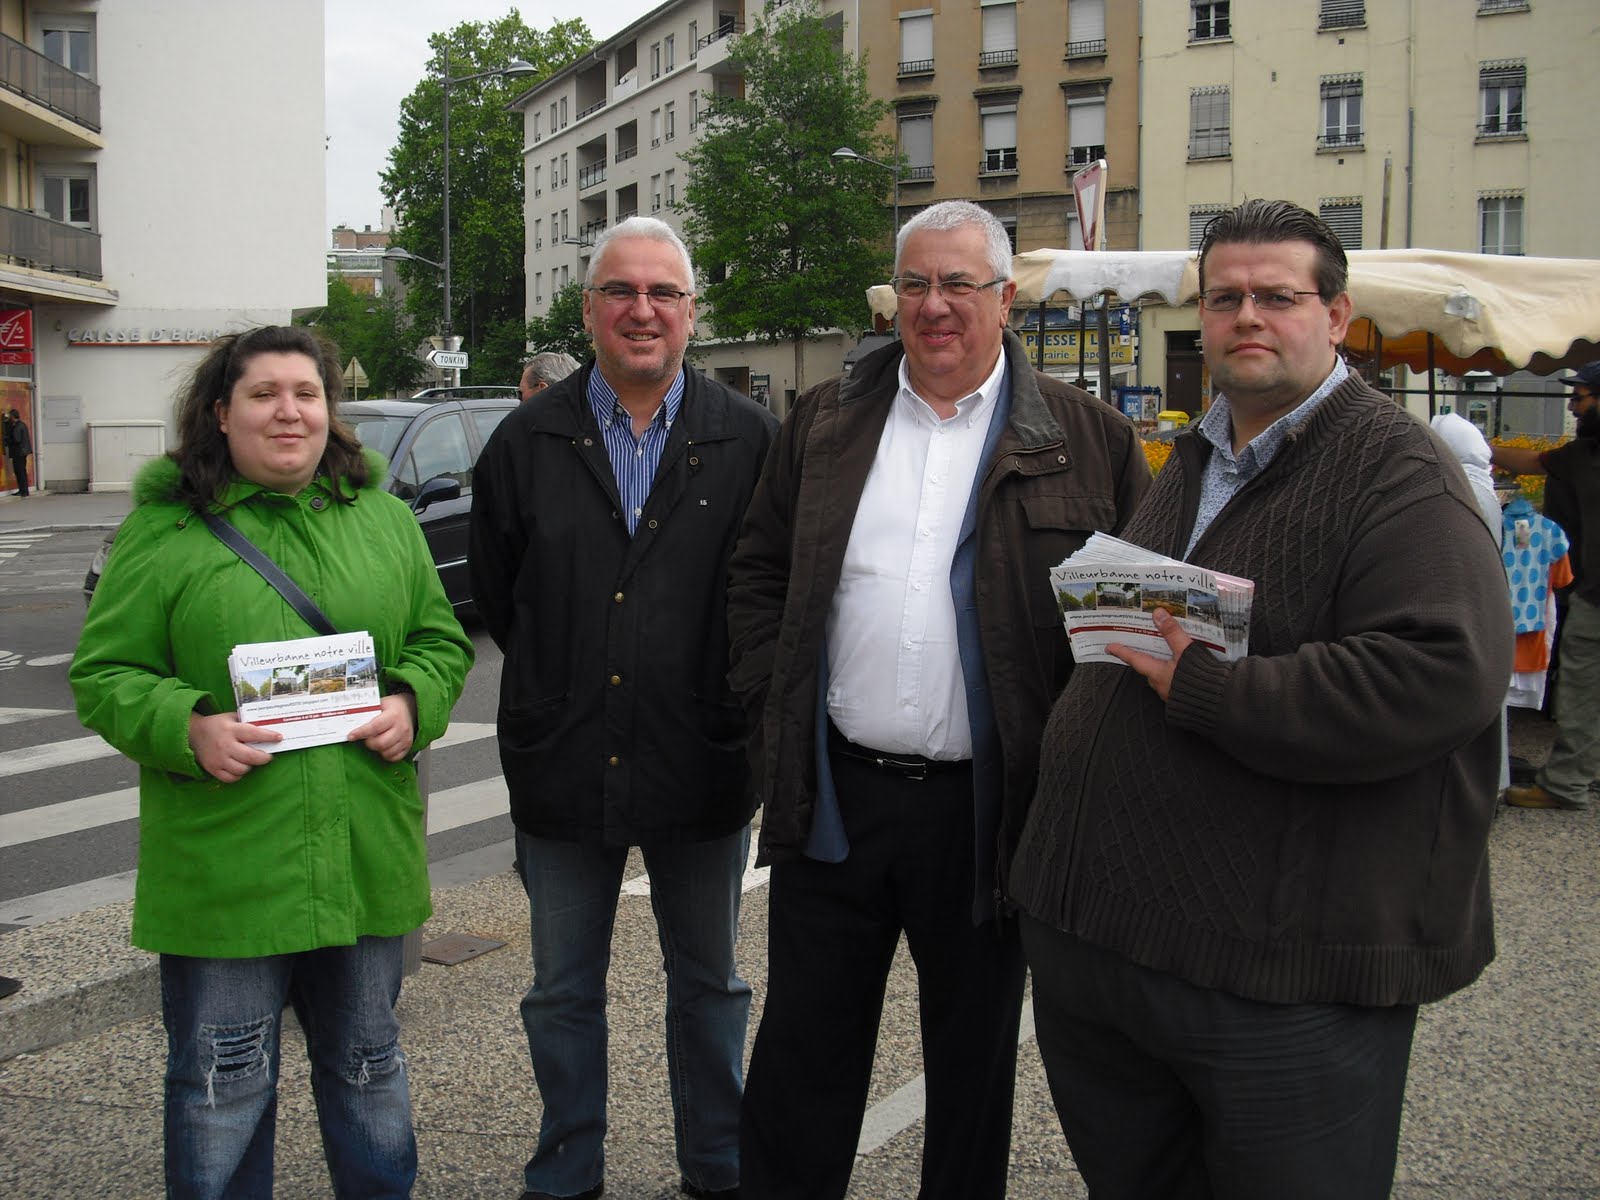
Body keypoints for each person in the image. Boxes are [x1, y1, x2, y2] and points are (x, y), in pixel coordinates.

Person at [1008, 199, 1514, 1200]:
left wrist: (1209, 686)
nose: (1247, 316)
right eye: (1226, 296)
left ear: (1335, 315)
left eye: (1277, 297)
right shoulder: (1194, 455)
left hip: (1275, 979)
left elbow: (1438, 675)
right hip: (1108, 947)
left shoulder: (1398, 473)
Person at [726, 199, 1150, 1200]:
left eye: (959, 283)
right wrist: (767, 709)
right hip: (836, 797)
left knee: (972, 1064)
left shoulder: (1089, 442)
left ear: (1005, 299)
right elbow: (757, 573)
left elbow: (1135, 624)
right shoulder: (825, 423)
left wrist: (1079, 777)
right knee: (802, 1054)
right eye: (915, 284)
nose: (935, 305)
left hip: (990, 810)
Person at [69, 324, 474, 1200]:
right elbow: (104, 674)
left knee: (369, 1064)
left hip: (364, 852)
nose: (289, 411)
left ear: (331, 411)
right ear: (220, 413)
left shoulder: (387, 522)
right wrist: (188, 725)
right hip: (227, 864)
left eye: (307, 393)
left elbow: (442, 642)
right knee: (222, 1081)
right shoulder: (165, 532)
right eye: (264, 395)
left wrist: (412, 702)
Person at [469, 216, 778, 1200]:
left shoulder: (750, 440)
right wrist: (576, 684)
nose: (641, 311)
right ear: (589, 309)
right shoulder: (525, 441)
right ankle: (567, 1171)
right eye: (620, 292)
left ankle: (719, 1170)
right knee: (561, 991)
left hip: (703, 758)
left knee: (712, 988)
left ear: (692, 312)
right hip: (563, 759)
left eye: (663, 294)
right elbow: (501, 593)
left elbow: (764, 597)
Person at [1492, 360, 1600, 810]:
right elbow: (1532, 460)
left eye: (1580, 398)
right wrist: (1476, 446)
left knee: (1583, 692)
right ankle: (1566, 783)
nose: (1572, 408)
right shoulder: (1581, 454)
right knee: (1581, 693)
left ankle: (1566, 785)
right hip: (1594, 596)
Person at [3, 407, 31, 496]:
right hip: (23, 452)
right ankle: (24, 491)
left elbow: (16, 439)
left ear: (12, 416)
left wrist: (7, 440)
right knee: (21, 471)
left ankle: (23, 491)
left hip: (19, 452)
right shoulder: (22, 424)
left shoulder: (17, 426)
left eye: (10, 417)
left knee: (19, 471)